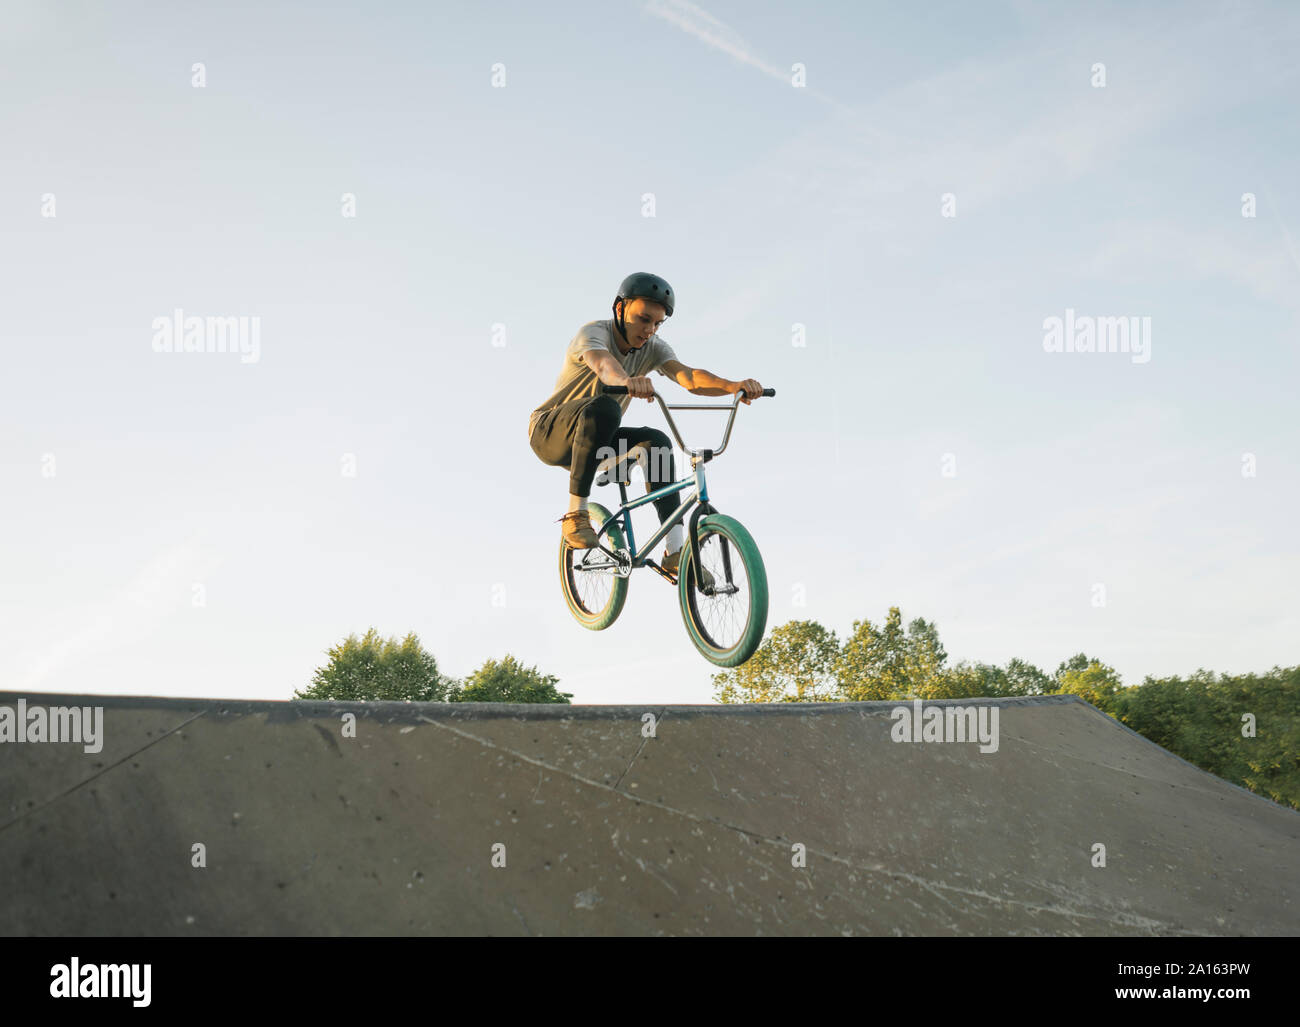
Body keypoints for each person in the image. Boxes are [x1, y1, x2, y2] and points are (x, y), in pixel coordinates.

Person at [528, 272, 763, 576]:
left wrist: (734, 386)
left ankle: (676, 551)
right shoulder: (593, 334)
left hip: (597, 440)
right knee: (605, 408)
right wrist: (626, 381)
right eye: (642, 319)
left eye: (657, 323)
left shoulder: (653, 349)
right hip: (550, 433)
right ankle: (576, 514)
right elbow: (603, 365)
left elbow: (689, 377)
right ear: (619, 309)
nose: (649, 330)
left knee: (657, 441)